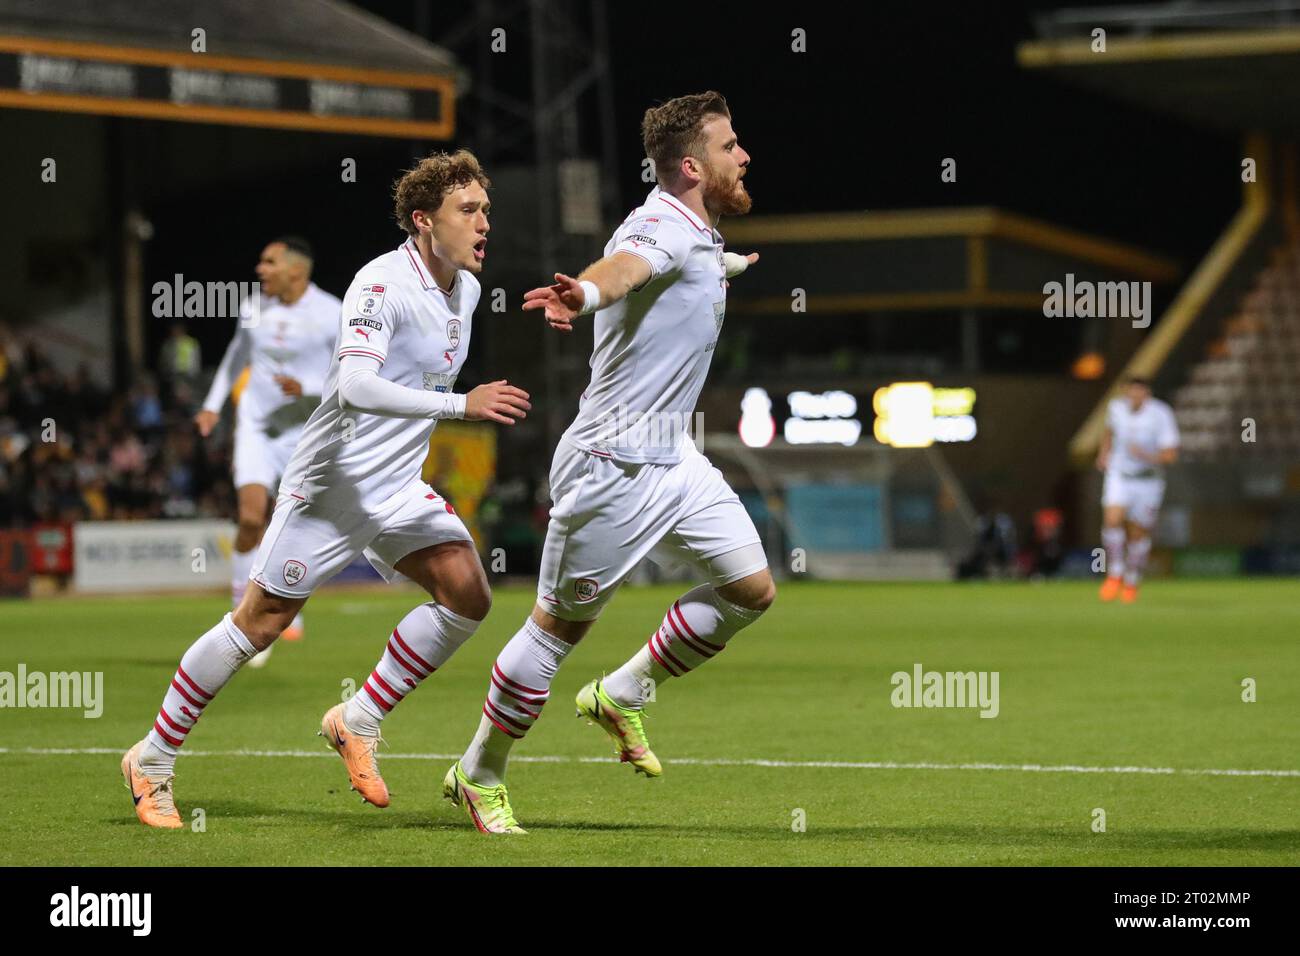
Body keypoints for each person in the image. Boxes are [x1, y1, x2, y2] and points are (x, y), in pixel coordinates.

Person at [121, 149, 531, 829]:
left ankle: (358, 717)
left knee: (467, 593)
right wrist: (463, 406)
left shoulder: (465, 290)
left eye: (487, 209)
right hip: (333, 486)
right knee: (259, 624)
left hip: (395, 486)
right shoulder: (380, 284)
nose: (485, 221)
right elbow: (355, 386)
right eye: (470, 209)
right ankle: (153, 760)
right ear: (424, 220)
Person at [443, 91, 775, 834]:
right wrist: (585, 291)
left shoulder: (695, 229)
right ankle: (479, 772)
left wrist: (731, 263)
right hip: (612, 462)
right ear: (692, 165)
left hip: (674, 460)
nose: (744, 155)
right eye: (729, 146)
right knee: (555, 632)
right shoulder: (661, 223)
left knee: (750, 590)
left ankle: (625, 691)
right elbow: (627, 266)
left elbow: (684, 264)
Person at [195, 237, 341, 664]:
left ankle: (283, 608)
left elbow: (354, 373)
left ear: (297, 271)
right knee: (249, 517)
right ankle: (241, 616)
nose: (260, 269)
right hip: (257, 426)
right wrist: (210, 405)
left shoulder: (333, 313)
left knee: (294, 526)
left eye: (270, 262)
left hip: (305, 428)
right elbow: (235, 355)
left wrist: (309, 389)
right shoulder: (253, 307)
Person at [1097, 376, 1180, 603]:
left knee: (1137, 533)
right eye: (1130, 392)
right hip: (1120, 475)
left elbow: (1171, 455)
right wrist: (1103, 454)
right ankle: (1114, 574)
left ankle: (1132, 580)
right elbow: (1109, 430)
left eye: (1139, 392)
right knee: (1112, 520)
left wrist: (1146, 456)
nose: (1134, 397)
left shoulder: (1161, 414)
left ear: (1147, 394)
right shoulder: (1116, 409)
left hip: (1149, 481)